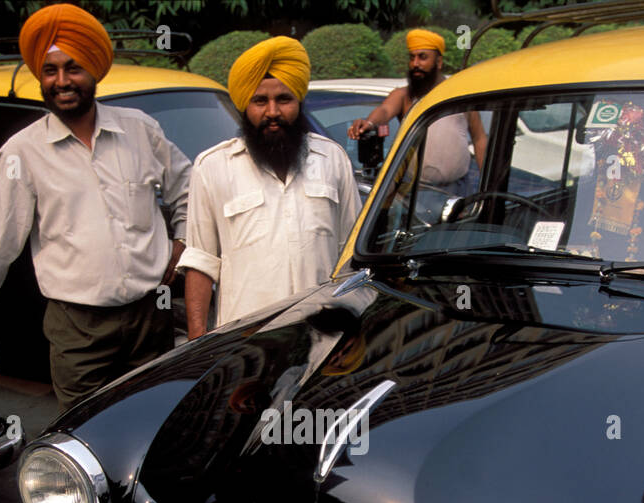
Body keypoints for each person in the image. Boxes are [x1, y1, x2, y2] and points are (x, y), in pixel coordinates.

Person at [0, 3, 191, 412]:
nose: (62, 81)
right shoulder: (24, 151)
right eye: (51, 71)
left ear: (95, 72)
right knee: (85, 432)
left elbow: (187, 188)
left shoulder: (141, 130)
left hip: (150, 315)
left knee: (153, 420)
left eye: (74, 68)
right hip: (77, 328)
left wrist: (182, 239)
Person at [180, 37, 361, 338]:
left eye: (284, 100)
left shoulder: (332, 159)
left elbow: (350, 257)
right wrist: (196, 343)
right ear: (244, 105)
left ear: (299, 102)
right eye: (260, 101)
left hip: (321, 337)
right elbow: (201, 262)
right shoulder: (211, 167)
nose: (272, 112)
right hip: (243, 340)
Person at [347, 28, 487, 185]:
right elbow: (384, 111)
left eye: (422, 57)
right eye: (412, 58)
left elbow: (479, 138)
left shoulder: (459, 95)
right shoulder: (404, 96)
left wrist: (487, 184)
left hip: (459, 190)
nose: (415, 64)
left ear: (439, 62)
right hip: (415, 195)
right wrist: (370, 123)